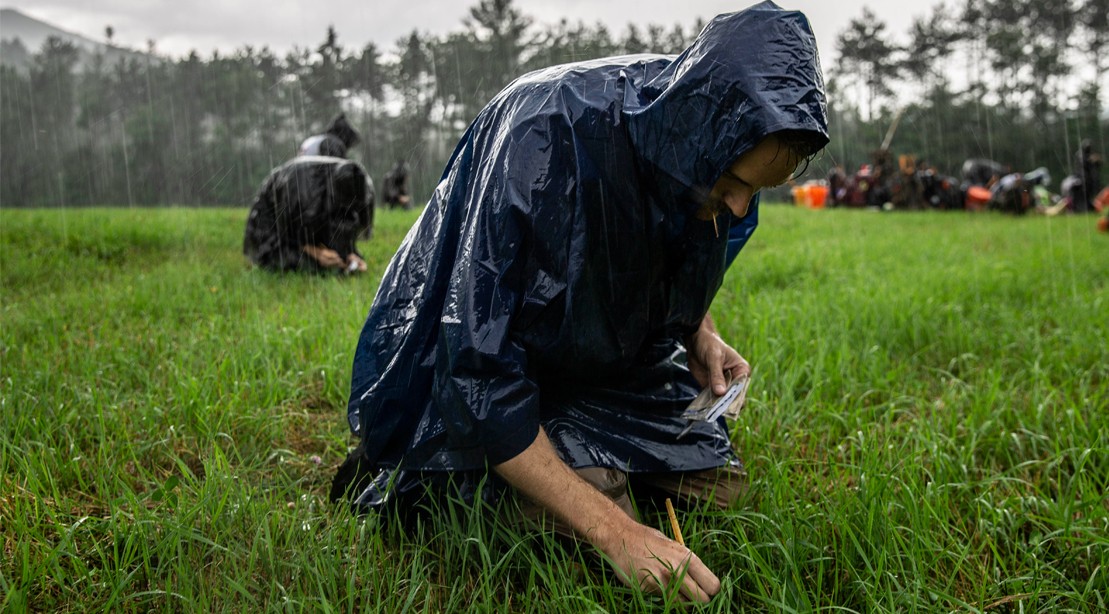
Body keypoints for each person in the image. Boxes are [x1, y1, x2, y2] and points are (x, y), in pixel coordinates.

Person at [331, 2, 828, 603]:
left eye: (753, 192)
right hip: (476, 370)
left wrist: (700, 333)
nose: (742, 209)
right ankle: (495, 482)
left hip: (600, 362)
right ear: (699, 139)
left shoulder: (707, 151)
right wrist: (618, 534)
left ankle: (575, 469)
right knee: (598, 494)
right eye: (731, 188)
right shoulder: (543, 133)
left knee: (720, 485)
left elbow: (676, 261)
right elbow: (479, 372)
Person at [243, 156, 373, 273]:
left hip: (304, 221)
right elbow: (286, 230)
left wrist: (347, 254)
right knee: (299, 262)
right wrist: (316, 252)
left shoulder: (360, 190)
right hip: (273, 228)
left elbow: (339, 224)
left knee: (334, 264)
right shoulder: (301, 188)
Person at [1071, 139, 1103, 213]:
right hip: (1082, 178)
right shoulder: (1080, 154)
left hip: (1089, 178)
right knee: (1084, 193)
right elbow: (1083, 163)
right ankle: (1083, 207)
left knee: (1090, 193)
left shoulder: (1088, 155)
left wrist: (1096, 161)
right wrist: (1090, 160)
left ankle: (1090, 205)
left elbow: (1097, 164)